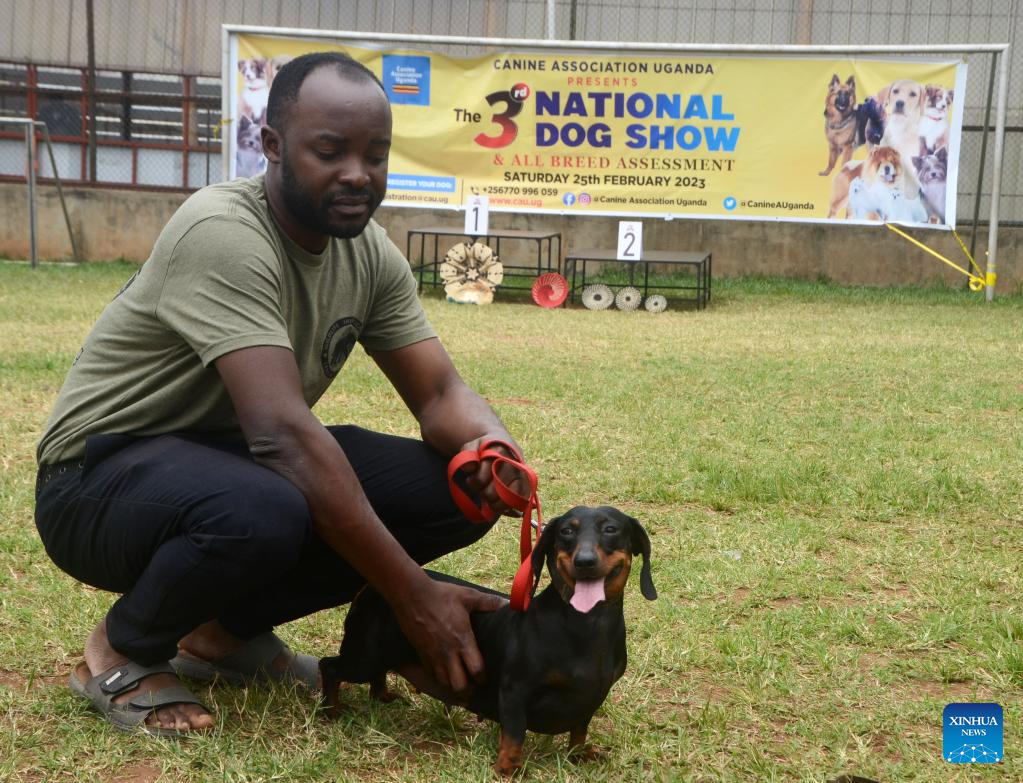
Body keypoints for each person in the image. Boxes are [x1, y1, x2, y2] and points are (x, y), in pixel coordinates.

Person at [34, 51, 525, 736]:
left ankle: (218, 635)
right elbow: (281, 436)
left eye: (375, 154)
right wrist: (411, 594)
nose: (358, 174)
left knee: (452, 488)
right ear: (270, 146)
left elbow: (440, 391)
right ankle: (121, 648)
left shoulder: (367, 253)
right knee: (269, 502)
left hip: (224, 464)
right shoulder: (224, 233)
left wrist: (491, 450)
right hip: (94, 480)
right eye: (330, 151)